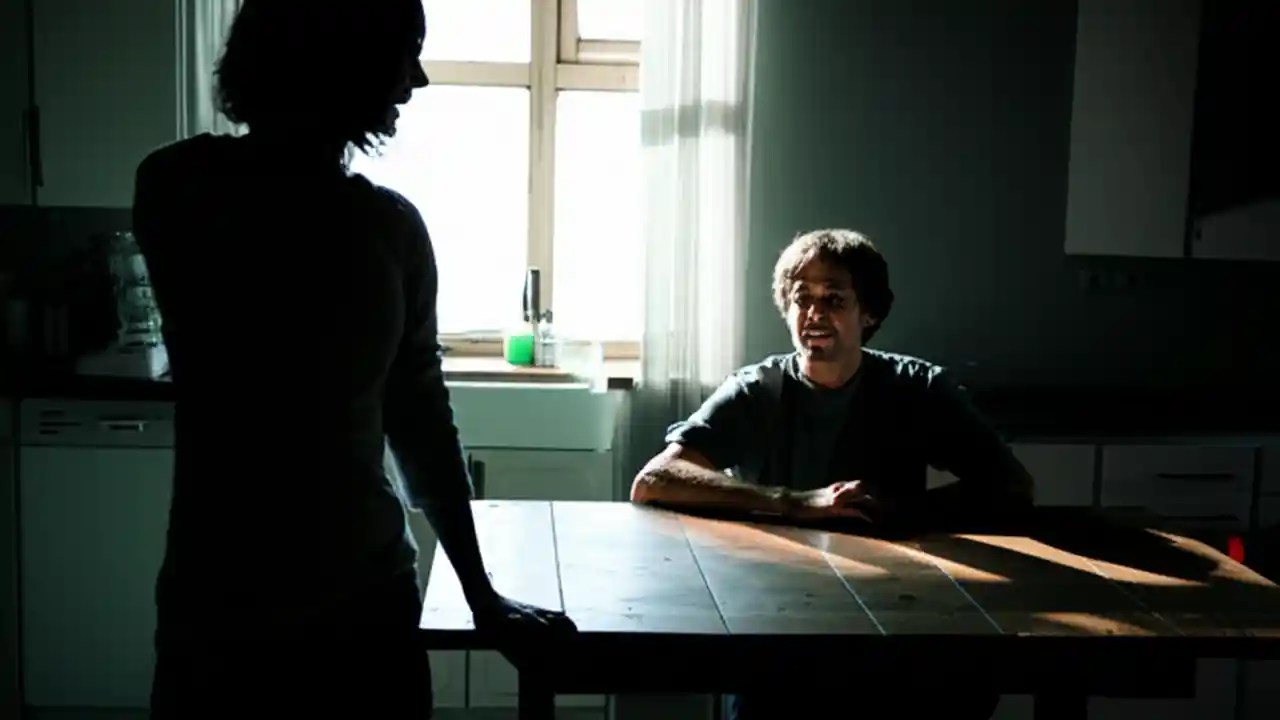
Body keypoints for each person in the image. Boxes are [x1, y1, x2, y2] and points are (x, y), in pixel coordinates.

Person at [131, 1, 573, 716]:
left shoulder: (178, 187)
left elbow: (422, 423)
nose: (417, 81)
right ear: (342, 60)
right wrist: (482, 597)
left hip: (251, 590)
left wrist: (481, 595)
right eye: (406, 54)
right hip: (308, 598)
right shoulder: (380, 229)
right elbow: (421, 423)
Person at [631, 228, 1033, 720]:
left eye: (834, 299)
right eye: (803, 299)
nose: (815, 314)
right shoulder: (757, 391)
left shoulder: (919, 388)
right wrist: (795, 502)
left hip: (896, 606)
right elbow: (656, 480)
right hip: (780, 613)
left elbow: (1011, 486)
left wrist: (897, 512)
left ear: (869, 313)